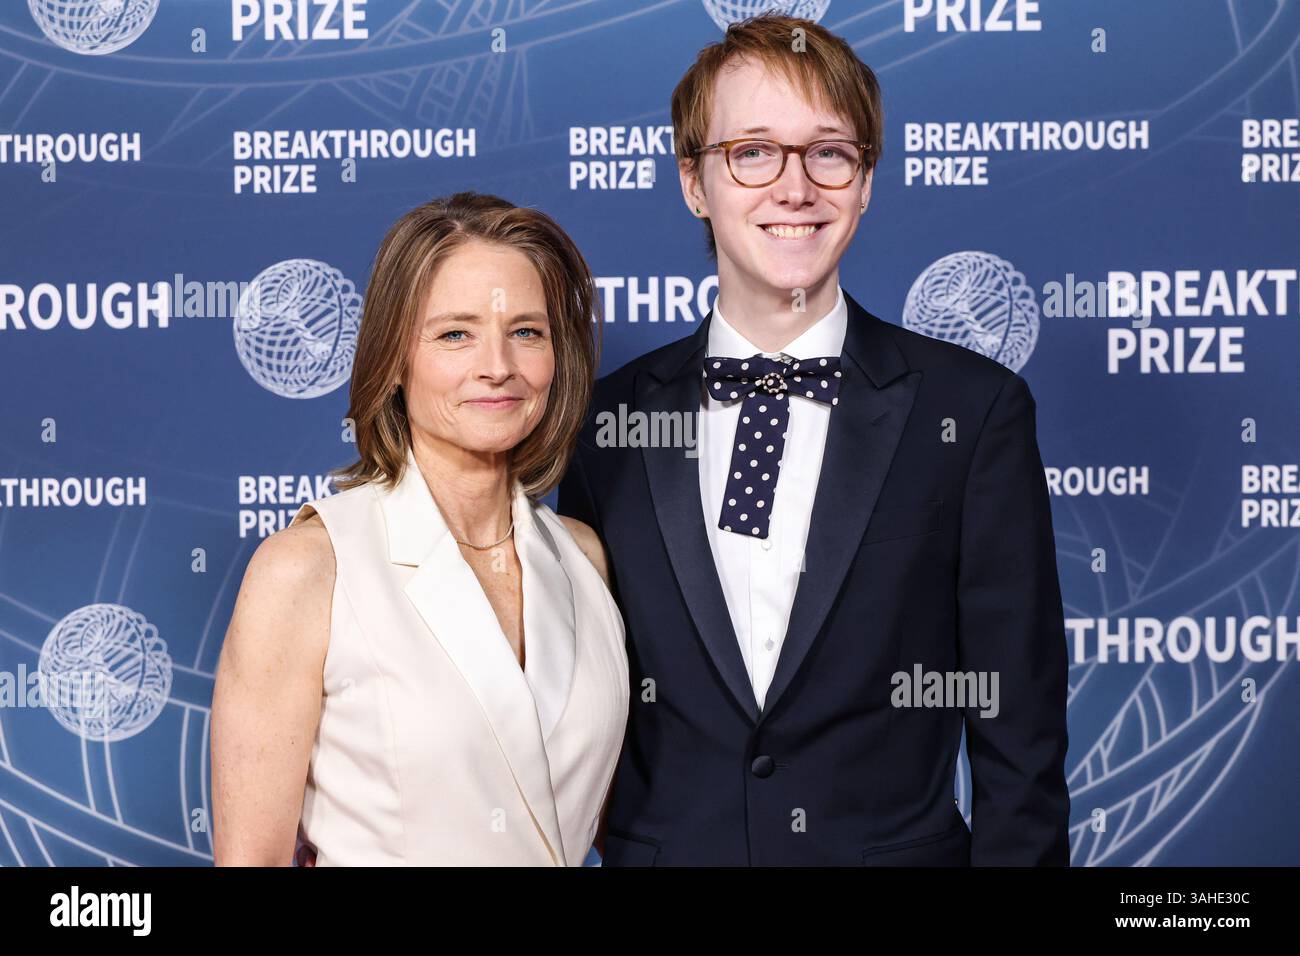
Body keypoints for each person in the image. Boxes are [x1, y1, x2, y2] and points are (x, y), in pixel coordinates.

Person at [558, 14, 1070, 866]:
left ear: (865, 181)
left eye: (829, 152)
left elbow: (1021, 746)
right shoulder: (600, 425)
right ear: (695, 181)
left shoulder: (975, 413)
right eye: (752, 152)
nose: (794, 188)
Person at [211, 192, 628, 866]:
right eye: (455, 333)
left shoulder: (584, 557)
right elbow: (249, 860)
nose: (498, 366)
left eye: (526, 331)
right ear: (394, 359)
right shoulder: (310, 568)